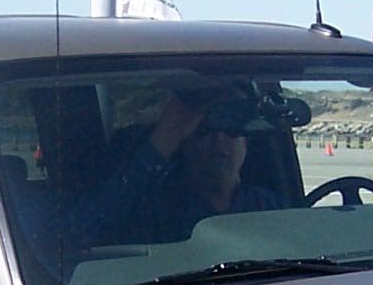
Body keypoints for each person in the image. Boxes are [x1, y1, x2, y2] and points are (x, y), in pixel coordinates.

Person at [85, 84, 285, 246]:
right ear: (181, 141)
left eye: (232, 129)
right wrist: (157, 147)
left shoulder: (270, 209)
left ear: (247, 141)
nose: (219, 140)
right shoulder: (153, 213)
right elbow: (89, 229)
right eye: (205, 129)